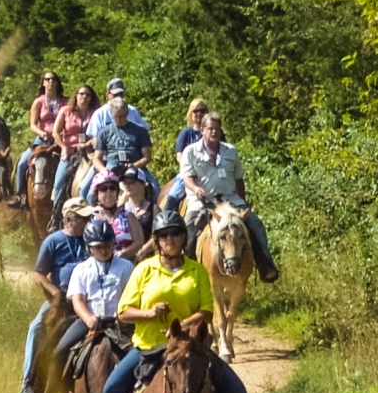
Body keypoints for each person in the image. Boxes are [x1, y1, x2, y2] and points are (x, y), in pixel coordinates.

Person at [86, 210, 254, 393]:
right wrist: (149, 313)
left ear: (183, 237)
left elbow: (207, 312)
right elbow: (124, 312)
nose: (170, 239)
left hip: (191, 349)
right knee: (112, 388)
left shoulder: (197, 271)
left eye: (175, 234)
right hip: (148, 348)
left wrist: (184, 326)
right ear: (156, 240)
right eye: (164, 235)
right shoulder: (143, 270)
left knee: (236, 390)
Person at [37, 219, 134, 393]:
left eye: (108, 245)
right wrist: (89, 318)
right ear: (89, 248)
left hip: (121, 324)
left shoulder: (126, 267)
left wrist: (122, 316)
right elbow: (78, 300)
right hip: (88, 321)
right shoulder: (81, 270)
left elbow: (132, 295)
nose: (104, 250)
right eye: (99, 246)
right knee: (57, 353)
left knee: (145, 355)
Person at [20, 197, 94, 393]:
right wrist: (54, 293)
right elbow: (39, 274)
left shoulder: (91, 239)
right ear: (69, 218)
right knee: (36, 328)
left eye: (87, 217)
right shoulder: (53, 241)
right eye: (82, 217)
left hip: (88, 301)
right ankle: (30, 383)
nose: (86, 221)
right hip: (61, 300)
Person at [180, 112, 279, 282]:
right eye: (210, 129)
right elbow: (187, 178)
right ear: (202, 130)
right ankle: (184, 271)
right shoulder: (191, 151)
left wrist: (243, 201)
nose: (214, 132)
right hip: (203, 201)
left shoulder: (230, 151)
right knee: (189, 227)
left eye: (217, 129)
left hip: (230, 200)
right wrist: (195, 189)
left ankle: (265, 265)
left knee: (255, 224)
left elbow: (238, 178)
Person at [87, 97, 160, 200]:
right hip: (112, 166)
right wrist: (104, 170)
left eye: (121, 116)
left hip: (135, 165)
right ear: (111, 115)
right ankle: (94, 215)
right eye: (116, 116)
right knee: (90, 195)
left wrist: (135, 165)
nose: (119, 119)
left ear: (127, 113)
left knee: (156, 188)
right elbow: (96, 158)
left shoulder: (141, 131)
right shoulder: (104, 132)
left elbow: (147, 157)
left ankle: (154, 213)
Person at [13, 70, 68, 206]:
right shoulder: (38, 102)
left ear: (57, 83)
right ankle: (20, 196)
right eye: (47, 79)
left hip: (59, 141)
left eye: (53, 79)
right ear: (43, 83)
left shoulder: (65, 102)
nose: (50, 82)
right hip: (42, 140)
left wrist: (61, 134)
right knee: (21, 163)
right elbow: (32, 124)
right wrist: (41, 132)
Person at [51, 84, 100, 220]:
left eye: (87, 95)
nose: (84, 97)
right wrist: (63, 147)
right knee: (59, 181)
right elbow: (55, 132)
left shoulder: (95, 113)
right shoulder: (66, 111)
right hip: (69, 152)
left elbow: (99, 134)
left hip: (89, 152)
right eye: (81, 94)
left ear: (91, 98)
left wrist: (88, 143)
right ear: (76, 95)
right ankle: (55, 217)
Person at [165, 98, 209, 212]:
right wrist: (191, 167)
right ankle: (167, 217)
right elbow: (179, 156)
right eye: (196, 111)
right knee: (173, 195)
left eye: (203, 110)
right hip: (189, 172)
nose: (199, 113)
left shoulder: (215, 132)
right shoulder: (186, 133)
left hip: (211, 171)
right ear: (191, 114)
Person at [91, 170, 144, 261]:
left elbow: (139, 241)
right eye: (104, 189)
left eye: (112, 188)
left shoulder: (128, 216)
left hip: (125, 264)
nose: (108, 192)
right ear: (96, 194)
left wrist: (123, 253)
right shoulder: (91, 217)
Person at [120, 166, 160, 246]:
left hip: (148, 255)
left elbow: (160, 235)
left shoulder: (153, 209)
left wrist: (143, 250)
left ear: (142, 185)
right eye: (125, 183)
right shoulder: (120, 210)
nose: (128, 186)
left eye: (131, 182)